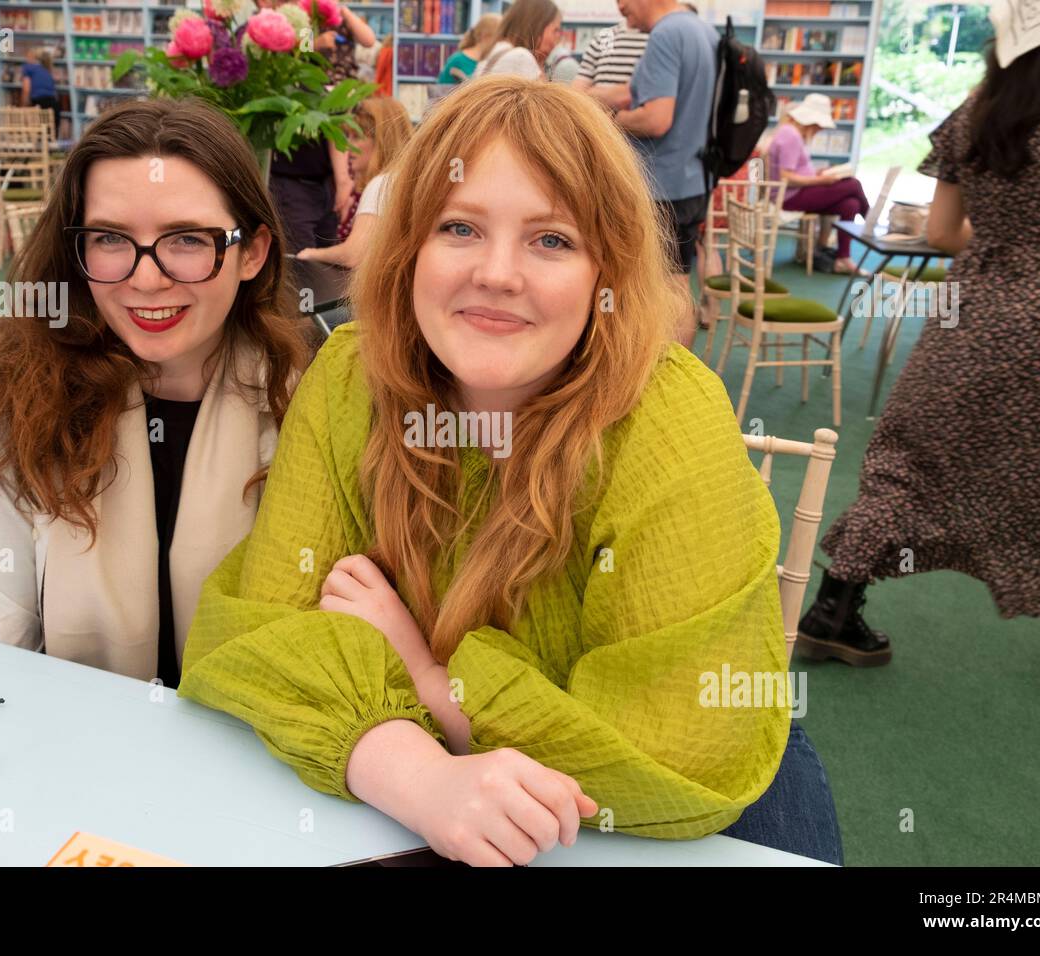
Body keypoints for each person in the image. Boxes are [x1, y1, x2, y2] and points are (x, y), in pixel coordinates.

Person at [179, 75, 841, 867]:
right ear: (409, 249)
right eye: (459, 228)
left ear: (608, 274)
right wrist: (418, 772)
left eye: (552, 240)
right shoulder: (350, 376)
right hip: (436, 812)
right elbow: (263, 631)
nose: (497, 273)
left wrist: (430, 677)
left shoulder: (669, 416)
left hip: (701, 826)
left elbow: (667, 757)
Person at [0, 98, 308, 688]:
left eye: (187, 239)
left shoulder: (305, 410)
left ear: (252, 252)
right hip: (71, 747)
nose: (147, 278)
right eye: (110, 238)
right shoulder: (12, 413)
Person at [798, 9, 1040, 687]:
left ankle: (831, 610)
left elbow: (942, 232)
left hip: (969, 306)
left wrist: (1000, 249)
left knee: (907, 458)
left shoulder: (977, 110)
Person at [612, 0, 716, 311]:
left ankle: (667, 359)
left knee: (666, 287)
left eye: (623, 4)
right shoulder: (703, 31)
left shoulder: (665, 35)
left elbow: (656, 119)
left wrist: (612, 120)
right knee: (677, 281)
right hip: (693, 179)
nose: (625, 17)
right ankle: (674, 358)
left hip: (663, 186)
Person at [295, 97, 411, 270]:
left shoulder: (381, 184)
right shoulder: (404, 180)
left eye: (356, 137)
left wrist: (311, 254)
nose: (347, 146)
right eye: (347, 136)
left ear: (381, 140)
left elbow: (355, 255)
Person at [766, 93, 871, 275]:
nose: (820, 130)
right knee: (853, 184)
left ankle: (843, 259)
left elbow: (793, 171)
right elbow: (786, 177)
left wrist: (817, 174)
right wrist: (821, 180)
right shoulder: (791, 135)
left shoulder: (789, 132)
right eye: (820, 126)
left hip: (797, 192)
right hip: (790, 196)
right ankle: (871, 226)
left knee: (850, 204)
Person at [472, 0, 561, 81]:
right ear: (538, 26)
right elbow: (544, 97)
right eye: (555, 30)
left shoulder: (497, 48)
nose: (558, 37)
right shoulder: (521, 56)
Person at [571, 17, 647, 111]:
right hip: (597, 123)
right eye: (618, 1)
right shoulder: (603, 37)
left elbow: (626, 95)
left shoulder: (657, 38)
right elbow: (576, 96)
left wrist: (592, 93)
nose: (621, 4)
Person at [313, 2, 376, 86]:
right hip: (316, 85)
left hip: (345, 82)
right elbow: (300, 50)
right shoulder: (309, 17)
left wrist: (346, 13)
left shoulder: (345, 16)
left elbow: (369, 41)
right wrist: (316, 43)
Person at [439, 14, 500, 84]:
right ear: (486, 36)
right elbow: (441, 88)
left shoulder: (492, 59)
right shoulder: (457, 59)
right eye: (499, 38)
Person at [20, 47, 60, 135]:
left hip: (39, 103)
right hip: (54, 104)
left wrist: (24, 106)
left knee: (38, 134)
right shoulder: (47, 69)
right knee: (52, 134)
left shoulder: (28, 68)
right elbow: (54, 92)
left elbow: (26, 89)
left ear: (33, 58)